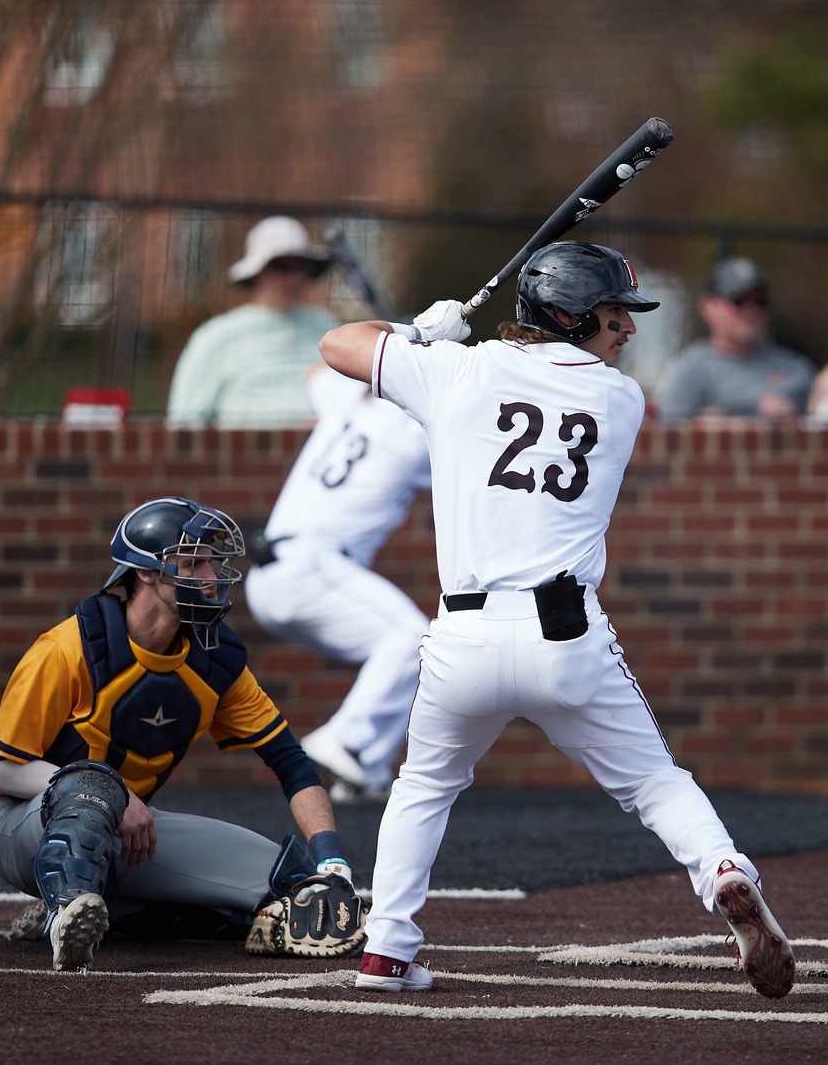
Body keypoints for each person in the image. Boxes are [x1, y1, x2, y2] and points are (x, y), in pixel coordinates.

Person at [319, 241, 797, 1000]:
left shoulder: (459, 371)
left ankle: (386, 949)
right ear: (571, 315)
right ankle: (723, 870)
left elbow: (337, 344)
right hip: (565, 635)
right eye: (614, 314)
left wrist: (415, 332)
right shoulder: (620, 399)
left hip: (462, 636)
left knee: (421, 784)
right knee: (652, 780)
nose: (627, 330)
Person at [0, 496, 365, 971]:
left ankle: (119, 908)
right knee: (93, 784)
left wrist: (331, 863)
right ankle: (65, 912)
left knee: (294, 887)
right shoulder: (67, 648)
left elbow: (292, 762)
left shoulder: (214, 659)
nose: (210, 576)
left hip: (131, 834)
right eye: (194, 562)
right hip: (25, 828)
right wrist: (114, 791)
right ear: (146, 571)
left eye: (213, 562)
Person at [243, 365, 431, 803]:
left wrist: (378, 373)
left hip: (270, 572)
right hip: (313, 565)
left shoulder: (347, 400)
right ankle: (347, 740)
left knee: (402, 648)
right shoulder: (414, 436)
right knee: (414, 640)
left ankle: (365, 769)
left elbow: (314, 372)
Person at [656, 255, 828, 425]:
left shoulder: (793, 365)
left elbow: (820, 422)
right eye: (739, 300)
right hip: (733, 487)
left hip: (806, 469)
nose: (752, 311)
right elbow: (670, 439)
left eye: (760, 300)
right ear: (709, 307)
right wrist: (750, 418)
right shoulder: (690, 369)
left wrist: (792, 421)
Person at [165, 216, 338, 429]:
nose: (294, 278)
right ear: (258, 271)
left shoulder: (327, 329)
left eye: (300, 267)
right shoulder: (216, 336)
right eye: (281, 267)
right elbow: (184, 423)